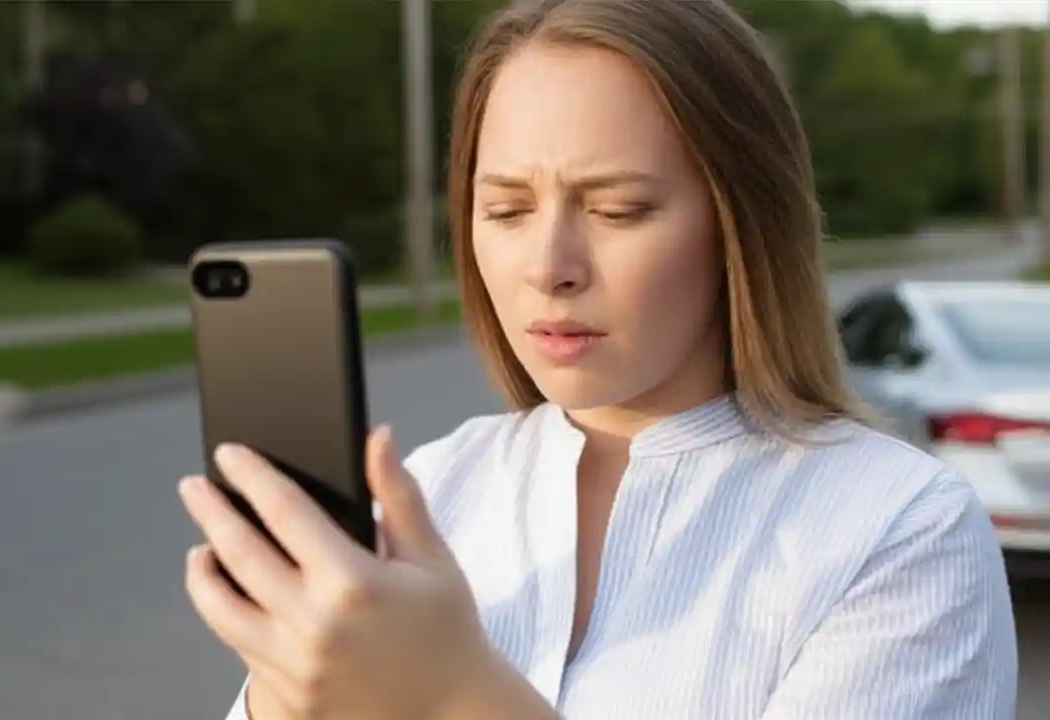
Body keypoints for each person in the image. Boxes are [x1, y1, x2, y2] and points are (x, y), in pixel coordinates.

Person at [177, 0, 1018, 717]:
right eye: (505, 209)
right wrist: (289, 689)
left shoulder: (899, 531)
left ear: (743, 220)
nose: (549, 266)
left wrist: (453, 695)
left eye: (617, 209)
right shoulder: (426, 498)